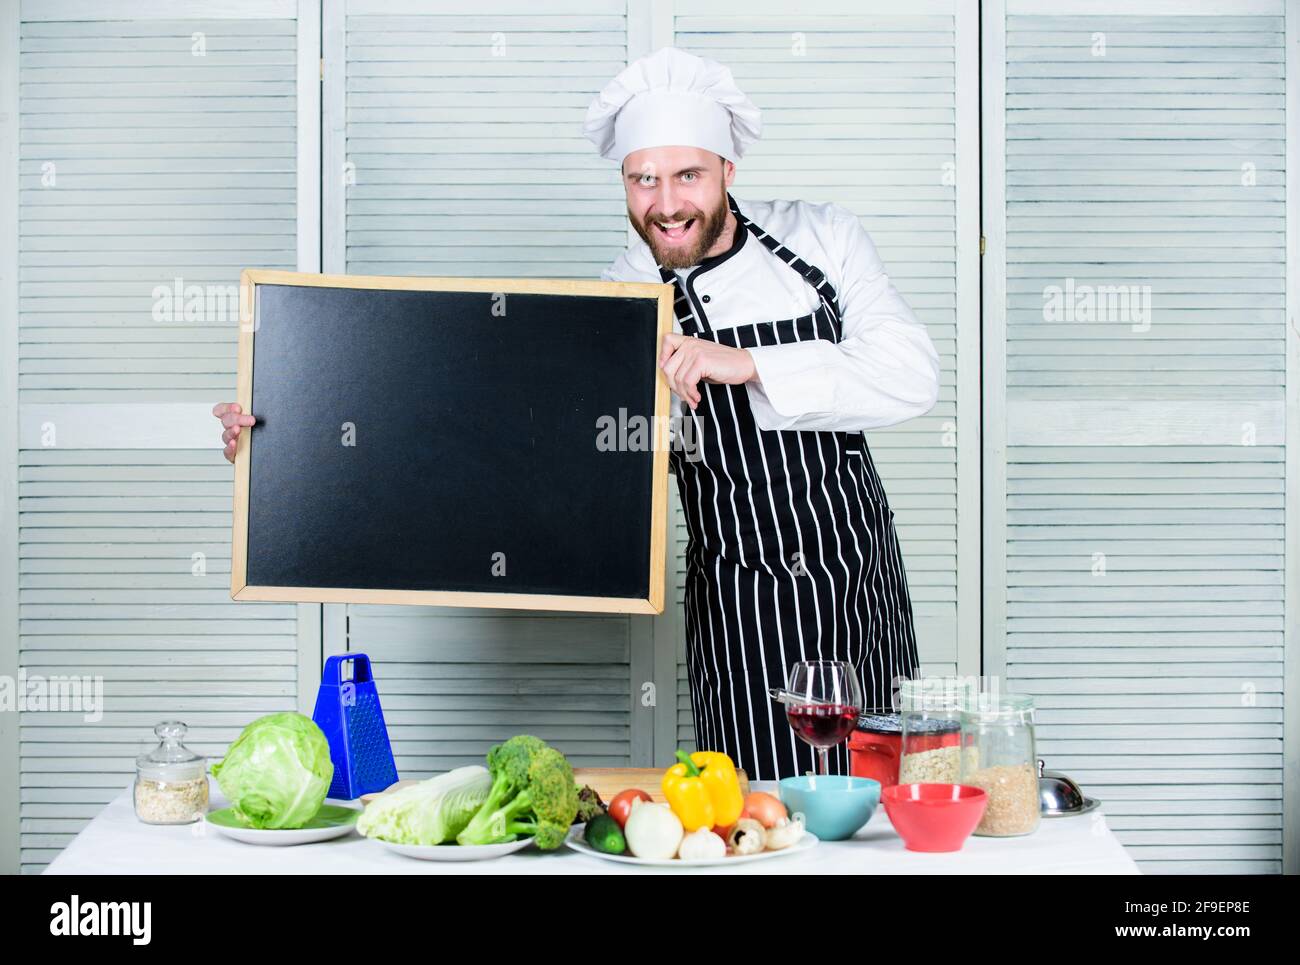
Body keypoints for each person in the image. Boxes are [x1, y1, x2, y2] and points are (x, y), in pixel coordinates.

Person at [585, 47, 940, 779]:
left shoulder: (821, 239)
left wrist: (746, 364)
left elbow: (914, 377)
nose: (666, 201)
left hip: (854, 576)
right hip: (741, 603)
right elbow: (560, 442)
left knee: (878, 801)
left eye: (688, 175)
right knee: (758, 816)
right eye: (643, 178)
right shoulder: (622, 293)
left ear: (728, 173)